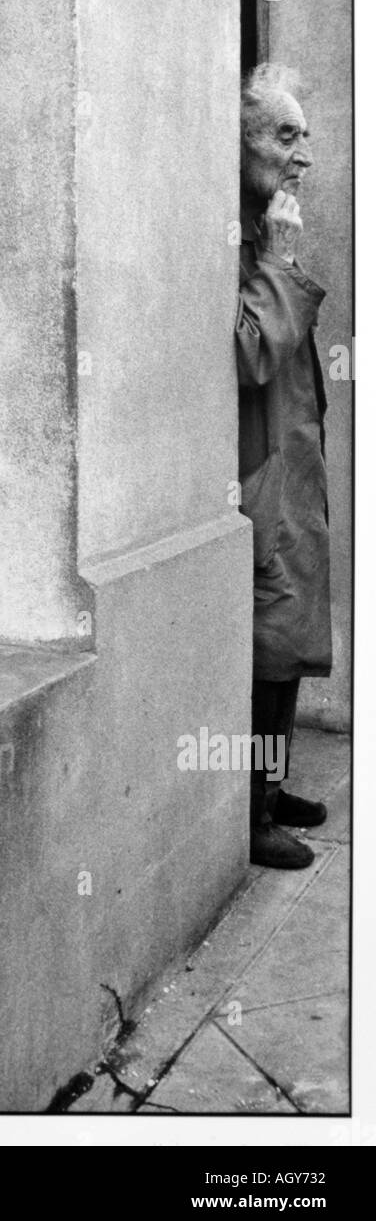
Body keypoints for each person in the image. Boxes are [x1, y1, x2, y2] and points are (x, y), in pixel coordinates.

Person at [236, 63, 331, 870]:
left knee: (291, 629)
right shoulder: (242, 237)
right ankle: (252, 811)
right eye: (284, 136)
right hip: (261, 466)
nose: (301, 155)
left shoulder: (265, 224)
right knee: (270, 635)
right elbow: (251, 351)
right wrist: (281, 255)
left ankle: (274, 784)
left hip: (290, 461)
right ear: (239, 139)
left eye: (304, 136)